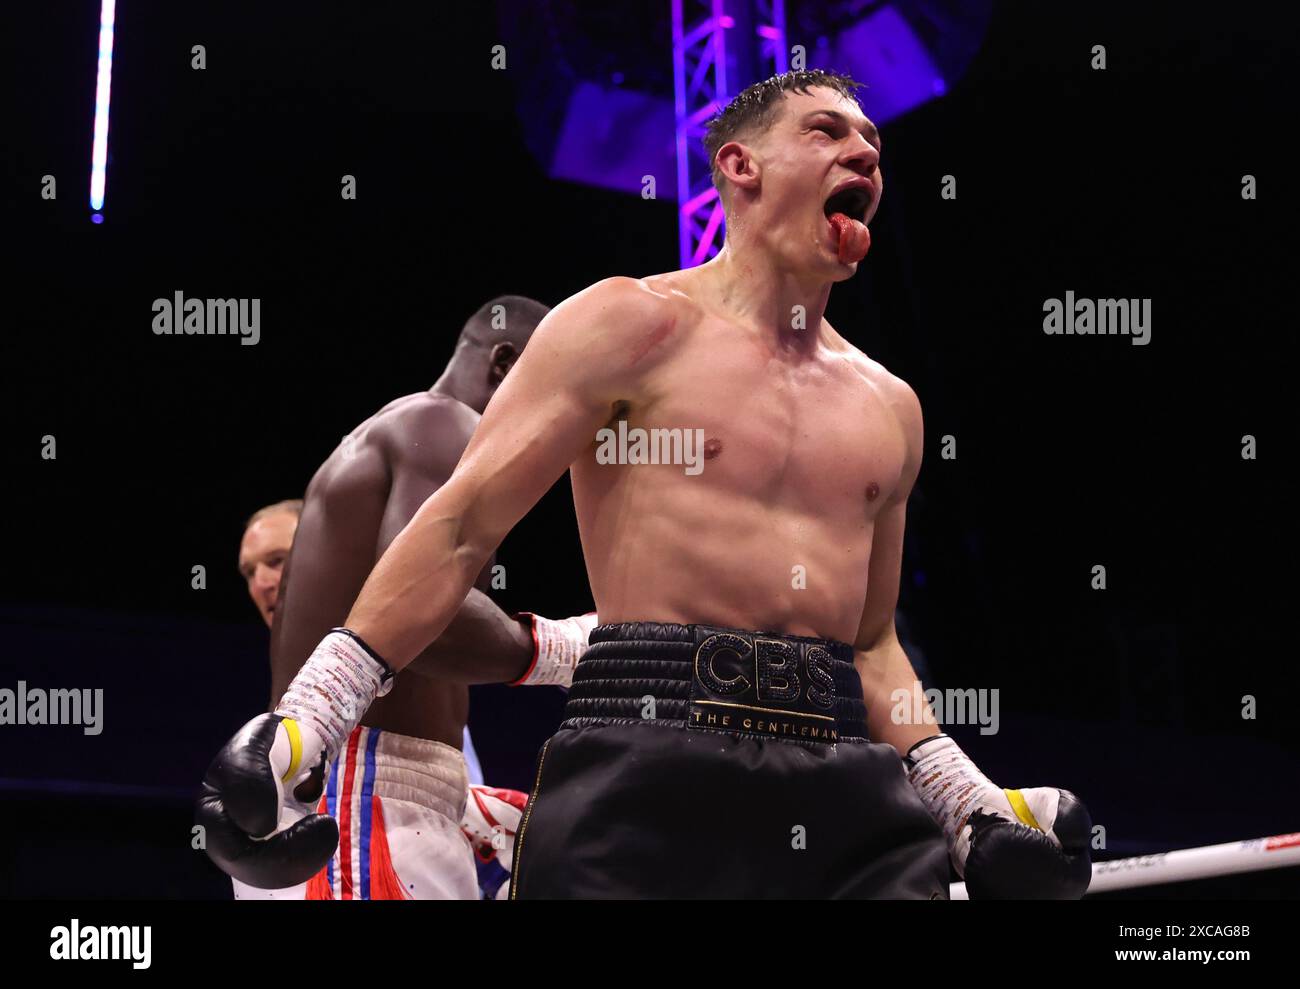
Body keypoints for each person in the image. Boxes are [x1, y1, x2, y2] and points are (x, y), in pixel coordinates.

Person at [201, 71, 1090, 899]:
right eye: (826, 132)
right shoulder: (626, 323)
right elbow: (458, 529)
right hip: (647, 739)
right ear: (739, 165)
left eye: (871, 145)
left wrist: (966, 801)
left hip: (841, 769)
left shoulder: (892, 407)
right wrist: (308, 722)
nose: (863, 153)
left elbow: (871, 643)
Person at [209, 296, 593, 899]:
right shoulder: (440, 423)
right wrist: (577, 648)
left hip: (364, 808)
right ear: (506, 363)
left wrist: (459, 802)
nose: (569, 431)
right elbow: (428, 627)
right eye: (568, 395)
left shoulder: (401, 439)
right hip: (358, 815)